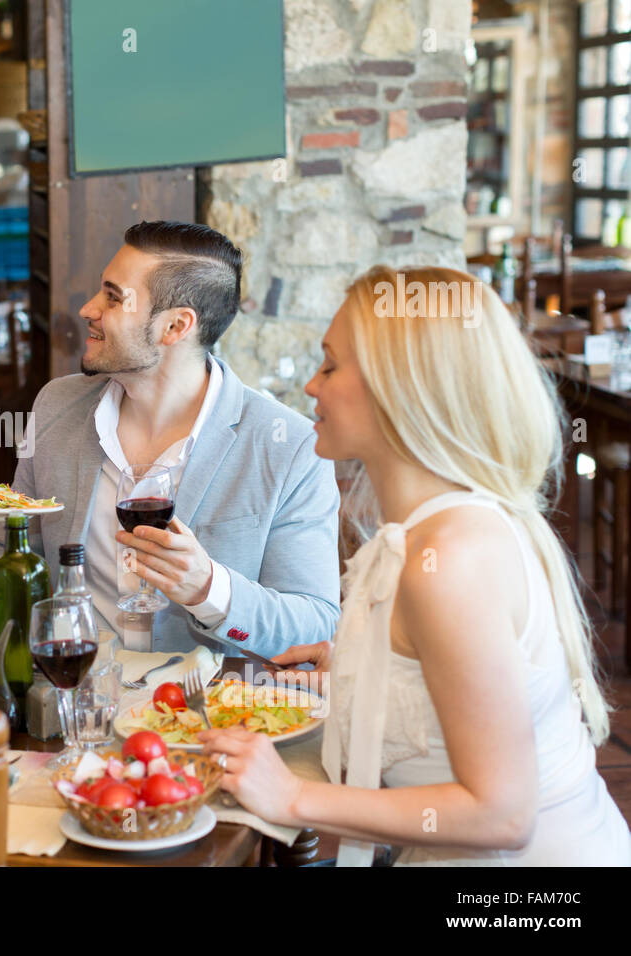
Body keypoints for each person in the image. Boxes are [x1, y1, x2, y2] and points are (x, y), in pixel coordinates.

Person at [199, 265, 631, 866]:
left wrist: (292, 795)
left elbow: (502, 813)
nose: (311, 387)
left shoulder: (447, 561)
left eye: (330, 364)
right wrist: (358, 668)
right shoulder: (432, 530)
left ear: (399, 387)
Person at [0, 221, 340, 655]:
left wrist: (209, 588)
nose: (88, 309)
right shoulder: (56, 405)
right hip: (71, 686)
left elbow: (315, 625)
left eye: (112, 297)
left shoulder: (289, 447)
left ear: (175, 326)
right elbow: (11, 544)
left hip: (207, 710)